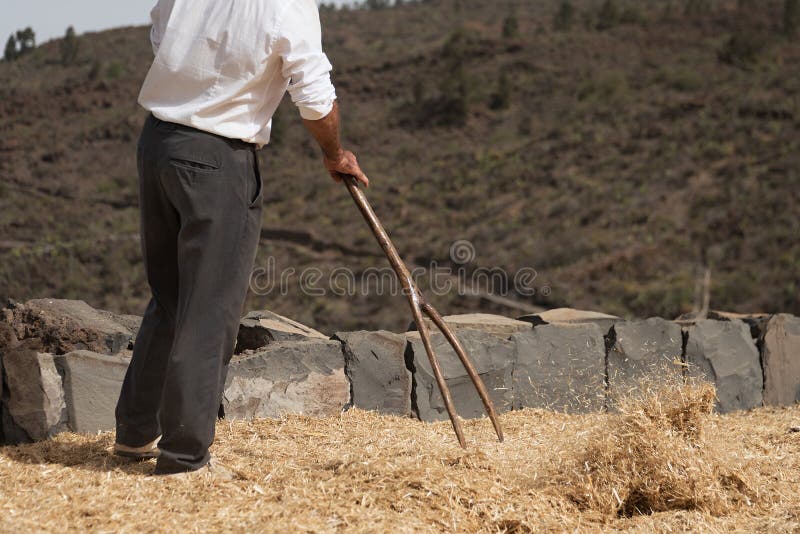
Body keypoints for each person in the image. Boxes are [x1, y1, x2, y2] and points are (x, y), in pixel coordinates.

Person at [114, 0, 369, 476]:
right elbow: (314, 95)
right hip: (217, 159)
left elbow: (160, 30)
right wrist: (334, 152)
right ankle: (184, 458)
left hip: (160, 143)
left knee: (170, 297)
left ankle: (134, 433)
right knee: (209, 311)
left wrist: (193, 89)